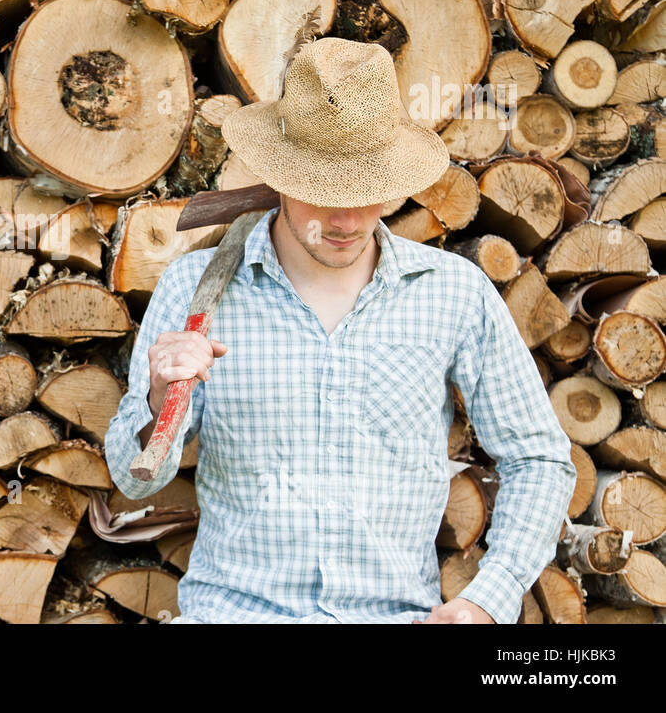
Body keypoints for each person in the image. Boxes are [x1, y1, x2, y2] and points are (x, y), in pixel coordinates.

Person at [103, 37, 577, 624]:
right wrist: (157, 397)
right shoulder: (198, 290)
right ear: (278, 175)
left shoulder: (453, 292)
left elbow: (538, 459)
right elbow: (133, 479)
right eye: (324, 194)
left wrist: (489, 598)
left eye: (366, 193)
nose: (348, 220)